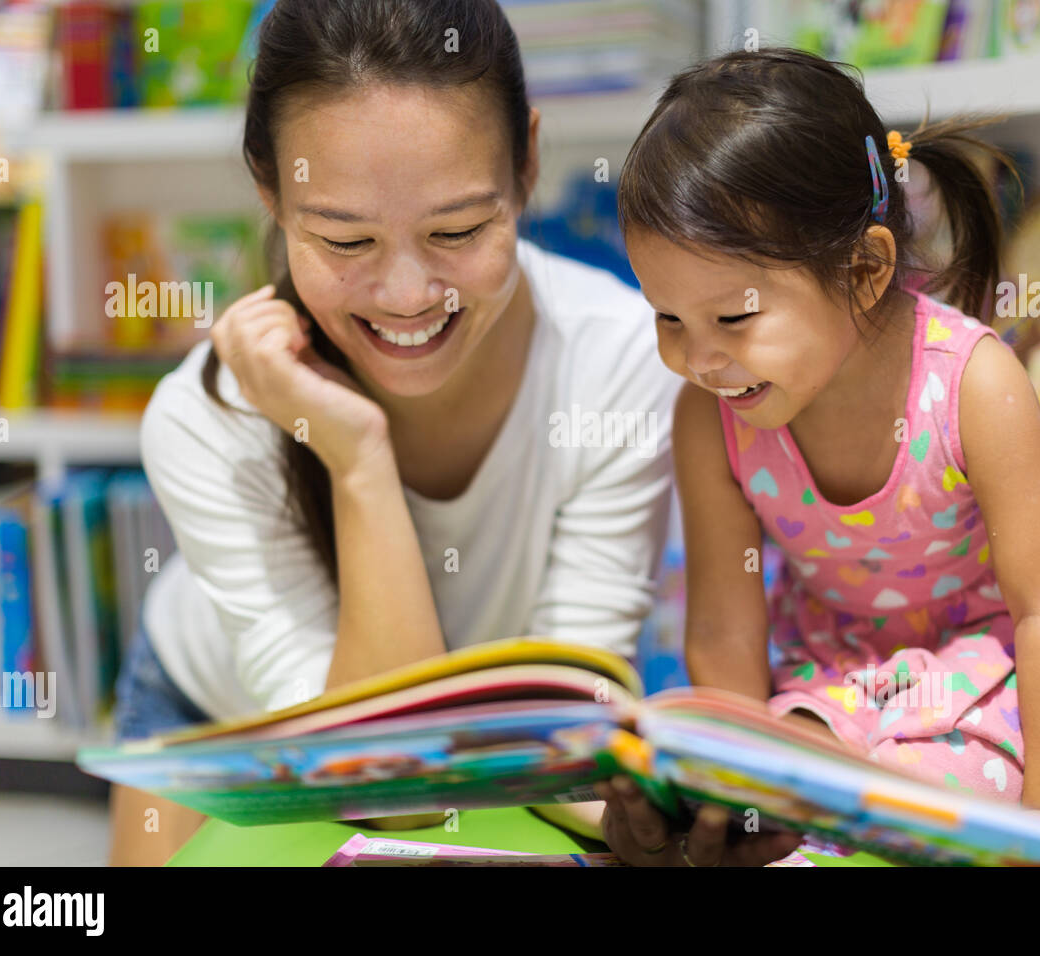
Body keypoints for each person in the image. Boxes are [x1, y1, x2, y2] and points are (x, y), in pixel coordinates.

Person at [108, 0, 679, 865]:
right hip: (214, 715)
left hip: (489, 752)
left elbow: (566, 734)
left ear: (527, 162)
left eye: (457, 230)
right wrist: (357, 456)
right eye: (345, 239)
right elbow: (380, 788)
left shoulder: (622, 365)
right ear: (269, 188)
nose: (408, 294)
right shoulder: (206, 420)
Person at [597, 48, 1040, 867]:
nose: (700, 359)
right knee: (751, 769)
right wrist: (724, 783)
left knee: (923, 787)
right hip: (839, 678)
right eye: (669, 318)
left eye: (734, 319)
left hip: (992, 667)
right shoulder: (709, 416)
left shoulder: (975, 385)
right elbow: (723, 627)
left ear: (864, 270)